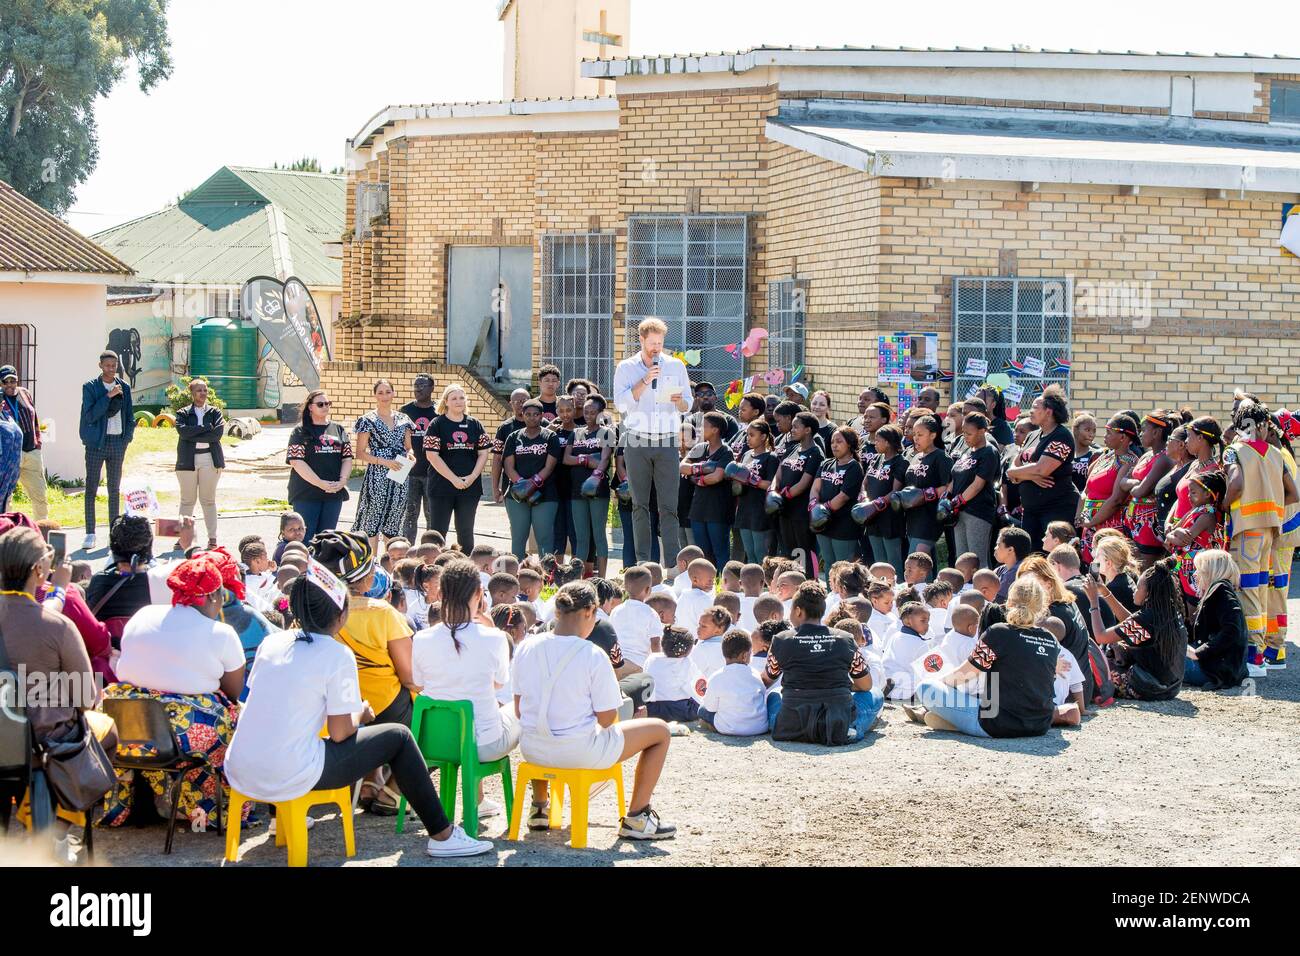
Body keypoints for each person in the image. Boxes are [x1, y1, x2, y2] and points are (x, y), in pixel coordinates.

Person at [224, 574, 492, 858]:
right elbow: (341, 732)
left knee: (286, 735)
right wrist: (361, 714)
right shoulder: (336, 653)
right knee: (398, 736)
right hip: (290, 773)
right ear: (341, 615)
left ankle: (283, 818)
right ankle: (443, 835)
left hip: (240, 768)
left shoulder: (273, 644)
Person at [511, 580, 676, 840]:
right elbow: (608, 719)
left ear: (557, 612)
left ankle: (539, 807)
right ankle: (637, 817)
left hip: (533, 749)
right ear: (590, 612)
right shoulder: (593, 654)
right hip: (577, 751)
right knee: (660, 730)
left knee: (542, 719)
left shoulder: (526, 646)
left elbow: (520, 710)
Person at [101, 550, 247, 829]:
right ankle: (210, 810)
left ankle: (154, 797)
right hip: (182, 739)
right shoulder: (221, 633)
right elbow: (232, 694)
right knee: (236, 719)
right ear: (215, 595)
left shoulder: (142, 614)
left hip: (130, 727)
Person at [411, 559, 518, 821]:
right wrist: (492, 629)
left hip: (434, 743)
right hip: (483, 744)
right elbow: (498, 685)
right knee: (513, 711)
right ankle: (538, 802)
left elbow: (420, 683)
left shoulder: (422, 638)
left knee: (465, 710)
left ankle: (479, 800)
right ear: (479, 595)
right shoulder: (494, 638)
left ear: (441, 594)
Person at [915, 576, 1059, 738]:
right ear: (1041, 606)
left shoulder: (999, 632)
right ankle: (955, 721)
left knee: (925, 688)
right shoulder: (1050, 639)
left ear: (1009, 602)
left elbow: (965, 674)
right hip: (1040, 725)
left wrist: (939, 684)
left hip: (997, 724)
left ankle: (954, 720)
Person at [1223, 400, 1297, 672]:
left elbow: (1236, 482)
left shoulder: (1235, 451)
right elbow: (1294, 494)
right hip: (1270, 531)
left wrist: (1224, 505)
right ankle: (1266, 652)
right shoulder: (1277, 454)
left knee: (1249, 591)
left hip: (1247, 531)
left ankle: (1254, 658)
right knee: (1264, 590)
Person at [761, 581, 883, 745]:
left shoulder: (781, 640)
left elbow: (767, 679)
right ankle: (853, 727)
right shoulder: (846, 639)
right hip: (837, 721)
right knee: (876, 694)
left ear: (797, 611)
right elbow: (866, 685)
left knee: (773, 696)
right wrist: (841, 686)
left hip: (792, 724)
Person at [613, 318, 691, 564]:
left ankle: (671, 564)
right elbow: (621, 404)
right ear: (642, 340)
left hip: (667, 441)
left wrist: (679, 401)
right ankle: (643, 563)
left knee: (669, 506)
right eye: (652, 342)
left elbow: (687, 404)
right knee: (640, 505)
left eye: (660, 342)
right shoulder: (626, 367)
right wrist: (645, 380)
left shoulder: (676, 366)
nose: (657, 347)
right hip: (637, 441)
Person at [1084, 557, 1187, 700]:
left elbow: (1101, 636)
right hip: (1171, 687)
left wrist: (1093, 601)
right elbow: (1131, 621)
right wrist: (1105, 591)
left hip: (1150, 688)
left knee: (1096, 664)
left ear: (1148, 593)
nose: (1134, 591)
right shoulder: (1169, 612)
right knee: (1116, 648)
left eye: (1138, 587)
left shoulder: (1146, 619)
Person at [1006, 385, 1080, 552]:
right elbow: (1013, 467)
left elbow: (1042, 470)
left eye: (1035, 407)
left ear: (1049, 411)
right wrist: (1027, 475)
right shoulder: (1032, 435)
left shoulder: (1062, 436)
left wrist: (1022, 473)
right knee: (1030, 557)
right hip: (1031, 510)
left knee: (1052, 557)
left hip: (1056, 510)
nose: (1030, 411)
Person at [423, 383, 490, 552]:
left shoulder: (475, 424)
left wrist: (472, 477)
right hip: (441, 487)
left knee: (466, 532)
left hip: (469, 487)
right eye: (454, 398)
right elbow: (432, 455)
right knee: (438, 532)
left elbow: (483, 453)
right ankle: (434, 570)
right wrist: (454, 479)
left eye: (461, 398)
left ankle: (465, 570)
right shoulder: (436, 424)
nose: (458, 401)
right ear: (446, 401)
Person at [79, 350, 135, 551]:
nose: (111, 369)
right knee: (91, 488)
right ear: (100, 365)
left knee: (114, 489)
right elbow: (91, 415)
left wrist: (126, 438)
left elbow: (130, 415)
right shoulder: (91, 387)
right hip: (96, 443)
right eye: (108, 365)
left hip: (117, 443)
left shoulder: (124, 387)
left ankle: (114, 533)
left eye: (114, 365)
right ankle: (90, 533)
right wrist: (108, 396)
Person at [352, 380, 416, 550]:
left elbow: (409, 447)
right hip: (378, 473)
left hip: (400, 472)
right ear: (374, 395)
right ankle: (371, 564)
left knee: (394, 519)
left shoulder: (404, 419)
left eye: (388, 392)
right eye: (380, 392)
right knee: (372, 518)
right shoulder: (368, 420)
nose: (384, 396)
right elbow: (360, 453)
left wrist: (411, 456)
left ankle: (391, 561)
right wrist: (386, 462)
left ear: (393, 394)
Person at [286, 389, 352, 544]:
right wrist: (320, 483)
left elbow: (347, 458)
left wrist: (342, 481)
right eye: (320, 404)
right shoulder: (300, 430)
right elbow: (296, 462)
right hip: (306, 494)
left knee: (328, 540)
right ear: (310, 407)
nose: (325, 407)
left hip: (333, 493)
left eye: (328, 403)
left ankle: (323, 568)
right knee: (305, 538)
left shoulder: (338, 429)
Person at [501, 399, 562, 560]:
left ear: (542, 416)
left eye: (536, 414)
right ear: (522, 415)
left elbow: (549, 467)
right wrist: (522, 486)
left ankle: (546, 579)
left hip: (545, 494)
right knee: (518, 538)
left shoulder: (550, 436)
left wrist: (532, 484)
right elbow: (508, 466)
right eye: (528, 414)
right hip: (517, 495)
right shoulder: (514, 437)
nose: (532, 417)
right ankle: (517, 577)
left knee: (544, 538)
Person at [83, 514, 171, 624]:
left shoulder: (99, 581)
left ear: (113, 547)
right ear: (149, 547)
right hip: (148, 641)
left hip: (111, 641)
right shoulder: (160, 584)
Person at [565, 394, 616, 577]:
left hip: (597, 490)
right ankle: (578, 579)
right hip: (577, 490)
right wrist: (587, 459)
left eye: (592, 412)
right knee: (581, 538)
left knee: (599, 535)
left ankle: (602, 578)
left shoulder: (606, 432)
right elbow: (566, 459)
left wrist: (596, 475)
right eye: (586, 411)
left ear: (600, 413)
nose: (588, 415)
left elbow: (604, 459)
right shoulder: (576, 433)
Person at [1120, 410, 1177, 569]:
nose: (1140, 434)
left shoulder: (1164, 459)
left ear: (1156, 432)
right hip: (1133, 520)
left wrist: (1136, 486)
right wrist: (1138, 483)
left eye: (1144, 430)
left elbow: (1139, 492)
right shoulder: (1146, 456)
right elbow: (1123, 483)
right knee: (1132, 566)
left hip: (1149, 525)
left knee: (1145, 570)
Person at [1077, 414, 1138, 564]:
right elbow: (1086, 490)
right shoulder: (1105, 456)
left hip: (1108, 526)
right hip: (1088, 522)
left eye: (1109, 432)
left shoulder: (1129, 462)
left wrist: (1091, 522)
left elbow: (1116, 499)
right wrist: (1080, 515)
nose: (1104, 436)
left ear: (1123, 437)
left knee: (1106, 567)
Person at [1184, 549, 1249, 690]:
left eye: (1198, 570)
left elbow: (1232, 630)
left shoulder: (1221, 591)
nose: (1194, 575)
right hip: (1223, 667)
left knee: (1160, 660)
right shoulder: (1221, 590)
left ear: (1210, 572)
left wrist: (1198, 653)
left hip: (1216, 670)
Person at [771, 411, 824, 578]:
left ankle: (809, 582)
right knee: (790, 549)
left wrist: (783, 495)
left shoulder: (815, 453)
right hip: (785, 509)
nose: (792, 429)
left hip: (801, 511)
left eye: (796, 426)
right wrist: (773, 490)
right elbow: (779, 472)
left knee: (804, 549)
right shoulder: (793, 447)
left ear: (807, 430)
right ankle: (793, 581)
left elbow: (804, 483)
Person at [174, 377, 225, 549]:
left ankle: (212, 538)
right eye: (199, 390)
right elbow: (183, 433)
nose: (202, 393)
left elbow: (216, 435)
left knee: (208, 500)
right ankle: (183, 539)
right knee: (187, 500)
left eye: (205, 390)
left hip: (209, 459)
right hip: (187, 460)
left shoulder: (215, 412)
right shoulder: (182, 413)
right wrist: (205, 428)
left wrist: (194, 433)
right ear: (192, 393)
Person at [680, 410, 735, 570]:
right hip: (698, 509)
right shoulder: (700, 448)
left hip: (718, 510)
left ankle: (723, 586)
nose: (699, 430)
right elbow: (682, 467)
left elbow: (717, 477)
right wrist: (704, 469)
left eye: (703, 426)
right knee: (703, 553)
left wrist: (696, 477)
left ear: (715, 429)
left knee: (720, 552)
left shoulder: (726, 451)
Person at [896, 413, 952, 569]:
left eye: (920, 434)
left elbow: (948, 486)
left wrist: (925, 495)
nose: (916, 438)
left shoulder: (941, 457)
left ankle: (921, 592)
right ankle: (926, 590)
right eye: (914, 434)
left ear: (933, 435)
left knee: (916, 562)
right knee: (922, 562)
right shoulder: (915, 457)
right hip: (913, 516)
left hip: (929, 517)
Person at [945, 412, 1001, 568]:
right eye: (963, 433)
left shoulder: (989, 452)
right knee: (962, 559)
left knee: (977, 558)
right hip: (959, 511)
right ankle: (964, 591)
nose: (965, 437)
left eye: (969, 433)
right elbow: (955, 477)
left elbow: (978, 484)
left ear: (983, 431)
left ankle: (984, 591)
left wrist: (959, 500)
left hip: (978, 510)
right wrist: (946, 496)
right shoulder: (967, 451)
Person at [811, 426, 864, 574]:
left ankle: (844, 597)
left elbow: (843, 496)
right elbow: (815, 488)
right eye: (832, 441)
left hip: (844, 524)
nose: (834, 445)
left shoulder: (854, 467)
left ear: (850, 444)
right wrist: (814, 507)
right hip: (822, 523)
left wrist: (823, 510)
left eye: (839, 441)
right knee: (828, 563)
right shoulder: (825, 464)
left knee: (843, 567)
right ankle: (831, 596)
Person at [859, 423, 908, 577]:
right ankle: (880, 589)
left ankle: (897, 589)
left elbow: (895, 490)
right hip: (872, 516)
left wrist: (876, 504)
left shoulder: (901, 462)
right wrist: (864, 498)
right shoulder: (877, 458)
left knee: (893, 560)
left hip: (890, 516)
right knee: (878, 560)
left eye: (878, 440)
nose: (875, 443)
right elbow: (865, 482)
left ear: (888, 442)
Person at [697, 630, 768, 736]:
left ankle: (712, 725)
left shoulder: (716, 677)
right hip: (758, 727)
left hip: (728, 728)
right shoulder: (755, 674)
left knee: (702, 709)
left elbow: (710, 708)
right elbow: (762, 696)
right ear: (744, 655)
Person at [1, 364, 47, 520]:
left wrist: (38, 443)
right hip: (9, 456)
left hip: (31, 451)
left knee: (40, 495)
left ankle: (43, 532)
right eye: (5, 382)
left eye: (12, 381)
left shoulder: (25, 393)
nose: (9, 385)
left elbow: (34, 418)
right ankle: (6, 534)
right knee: (6, 497)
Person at [730, 420, 779, 564]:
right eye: (747, 435)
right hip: (744, 509)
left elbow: (771, 484)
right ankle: (751, 582)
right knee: (749, 552)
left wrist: (751, 479)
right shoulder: (746, 455)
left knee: (760, 552)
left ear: (763, 437)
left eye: (752, 435)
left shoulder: (771, 458)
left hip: (760, 510)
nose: (748, 438)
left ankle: (764, 583)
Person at [400, 373, 437, 542]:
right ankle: (406, 551)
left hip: (433, 472)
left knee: (433, 515)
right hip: (409, 472)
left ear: (432, 388)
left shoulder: (439, 411)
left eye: (422, 385)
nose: (417, 389)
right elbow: (398, 442)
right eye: (415, 385)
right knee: (409, 514)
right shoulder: (405, 411)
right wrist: (397, 474)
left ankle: (431, 550)